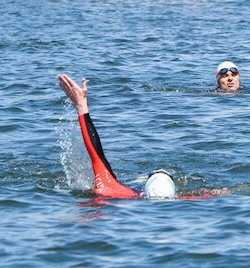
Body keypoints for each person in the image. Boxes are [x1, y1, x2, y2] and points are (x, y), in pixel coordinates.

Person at [58, 74, 208, 200]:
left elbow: (96, 153)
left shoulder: (111, 190)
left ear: (142, 194)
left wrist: (81, 106)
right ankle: (161, 176)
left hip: (132, 187)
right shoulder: (189, 197)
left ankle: (156, 176)